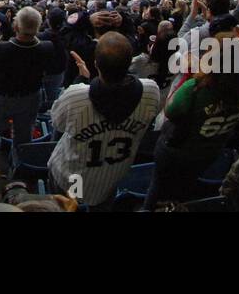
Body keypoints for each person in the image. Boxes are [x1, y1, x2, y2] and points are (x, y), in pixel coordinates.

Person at [47, 32, 161, 206]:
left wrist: (80, 79)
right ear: (129, 63)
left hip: (70, 177)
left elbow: (57, 123)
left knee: (68, 206)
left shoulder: (77, 95)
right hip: (110, 178)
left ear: (96, 65)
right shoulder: (151, 91)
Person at [146, 23, 239, 209]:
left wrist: (190, 74)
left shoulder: (194, 88)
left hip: (177, 151)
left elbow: (170, 110)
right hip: (211, 150)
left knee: (157, 187)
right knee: (186, 187)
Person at [0, 7, 57, 171]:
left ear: (16, 26)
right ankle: (18, 165)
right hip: (31, 96)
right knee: (23, 134)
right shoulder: (47, 48)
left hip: (2, 97)